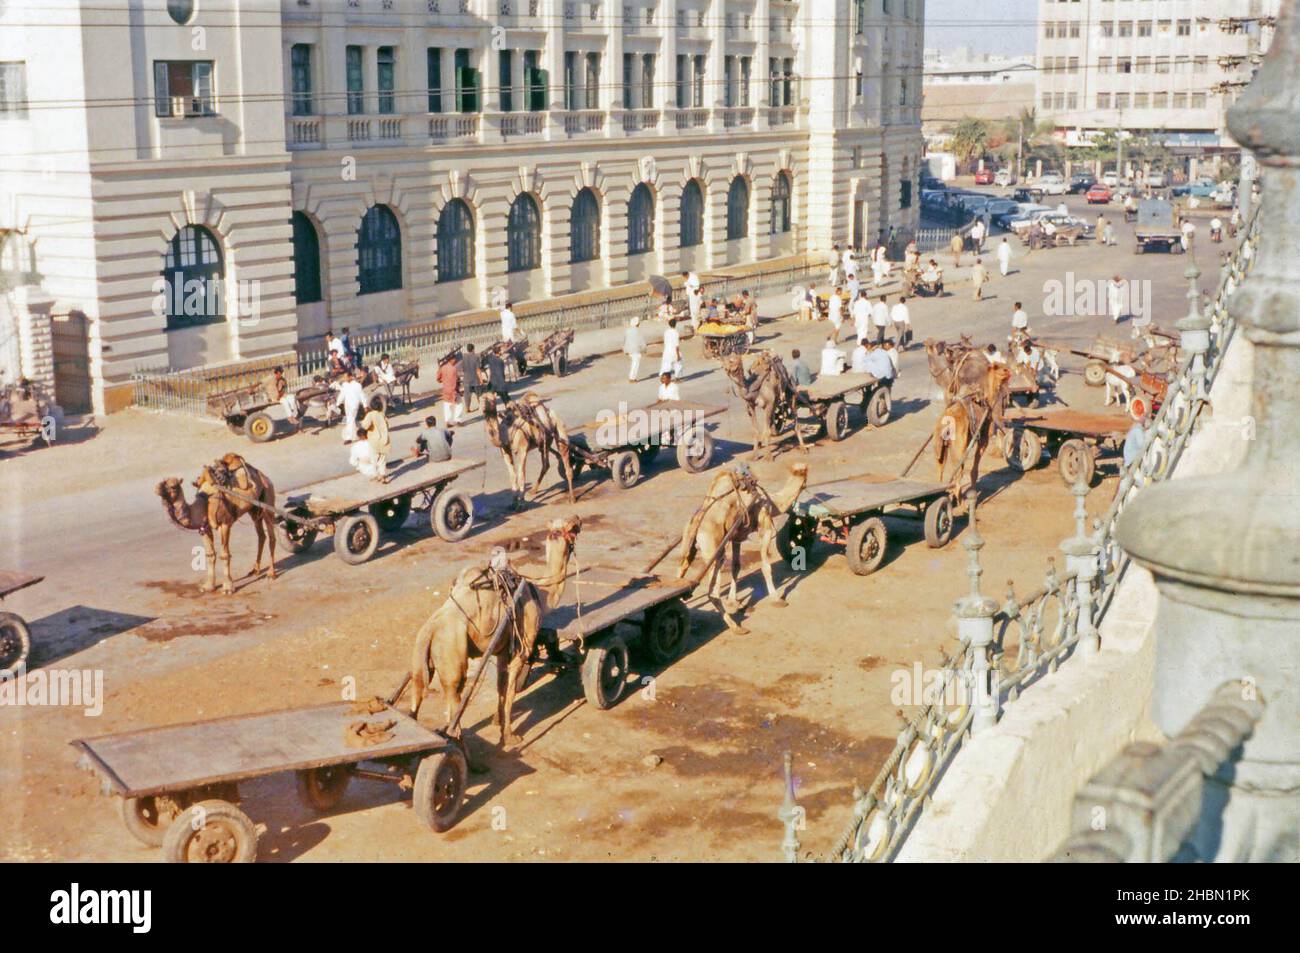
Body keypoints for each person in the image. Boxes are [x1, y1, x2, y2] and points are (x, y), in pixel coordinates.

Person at [360, 404, 391, 482]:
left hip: (373, 440)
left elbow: (365, 426)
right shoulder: (382, 414)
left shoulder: (370, 415)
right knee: (382, 459)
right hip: (384, 439)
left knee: (374, 458)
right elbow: (387, 425)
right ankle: (383, 476)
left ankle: (377, 475)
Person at [334, 370, 365, 443]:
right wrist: (338, 403)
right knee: (351, 419)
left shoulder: (357, 385)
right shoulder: (345, 385)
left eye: (345, 377)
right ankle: (362, 429)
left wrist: (365, 405)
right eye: (344, 377)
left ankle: (349, 438)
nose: (344, 378)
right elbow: (342, 394)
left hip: (354, 405)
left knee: (350, 420)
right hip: (347, 405)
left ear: (350, 377)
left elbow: (362, 395)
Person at [437, 352, 463, 427]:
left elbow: (438, 378)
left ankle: (447, 421)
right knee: (459, 404)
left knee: (447, 406)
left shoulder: (443, 368)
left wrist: (444, 380)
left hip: (446, 390)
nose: (455, 360)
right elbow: (456, 381)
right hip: (453, 389)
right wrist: (458, 390)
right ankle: (458, 420)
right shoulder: (454, 369)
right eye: (454, 359)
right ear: (451, 360)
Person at [460, 343, 482, 411]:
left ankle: (467, 408)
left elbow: (463, 369)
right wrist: (481, 379)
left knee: (467, 395)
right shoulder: (476, 357)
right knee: (478, 393)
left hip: (466, 379)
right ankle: (481, 406)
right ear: (473, 349)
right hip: (475, 379)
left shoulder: (464, 357)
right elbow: (478, 370)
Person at [624, 315, 646, 382]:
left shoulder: (628, 330)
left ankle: (632, 377)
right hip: (636, 350)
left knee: (634, 363)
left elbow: (625, 341)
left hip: (630, 350)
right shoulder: (638, 331)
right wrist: (644, 349)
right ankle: (632, 378)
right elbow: (641, 341)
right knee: (635, 364)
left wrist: (625, 350)